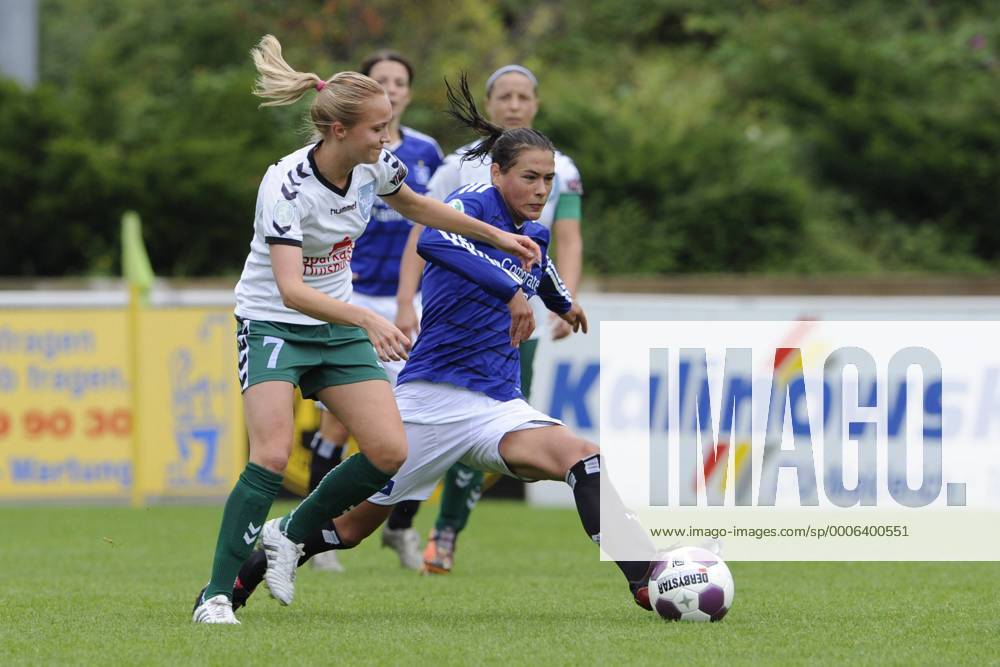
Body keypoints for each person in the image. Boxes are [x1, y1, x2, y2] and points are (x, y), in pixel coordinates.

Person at [230, 74, 657, 616]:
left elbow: (540, 264)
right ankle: (238, 585)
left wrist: (562, 303)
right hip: (431, 400)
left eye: (548, 180)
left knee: (583, 457)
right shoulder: (472, 207)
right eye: (530, 177)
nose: (541, 191)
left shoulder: (532, 232)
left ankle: (647, 578)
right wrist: (511, 293)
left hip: (497, 405)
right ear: (497, 173)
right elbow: (432, 239)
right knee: (351, 527)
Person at [191, 36, 541, 625]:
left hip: (337, 326)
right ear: (338, 132)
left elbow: (421, 208)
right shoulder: (285, 184)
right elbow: (290, 289)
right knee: (273, 454)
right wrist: (369, 316)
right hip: (275, 322)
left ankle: (289, 535)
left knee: (389, 451)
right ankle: (216, 596)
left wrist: (498, 235)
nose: (386, 138)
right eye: (377, 128)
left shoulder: (374, 168)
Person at [392, 64, 584, 574]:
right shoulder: (460, 167)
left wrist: (564, 301)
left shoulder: (559, 169)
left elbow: (562, 239)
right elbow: (425, 229)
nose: (514, 104)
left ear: (536, 105)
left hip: (518, 325)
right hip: (459, 322)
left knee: (495, 424)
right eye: (504, 96)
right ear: (491, 103)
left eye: (524, 96)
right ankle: (370, 521)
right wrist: (406, 298)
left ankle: (446, 531)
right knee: (437, 427)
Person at [306, 49, 445, 573]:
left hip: (408, 301)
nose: (392, 87)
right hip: (351, 294)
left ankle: (402, 526)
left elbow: (424, 220)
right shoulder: (339, 151)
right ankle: (316, 531)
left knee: (420, 419)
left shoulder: (425, 152)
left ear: (407, 92)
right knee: (341, 424)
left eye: (399, 81)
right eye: (380, 80)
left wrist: (411, 299)